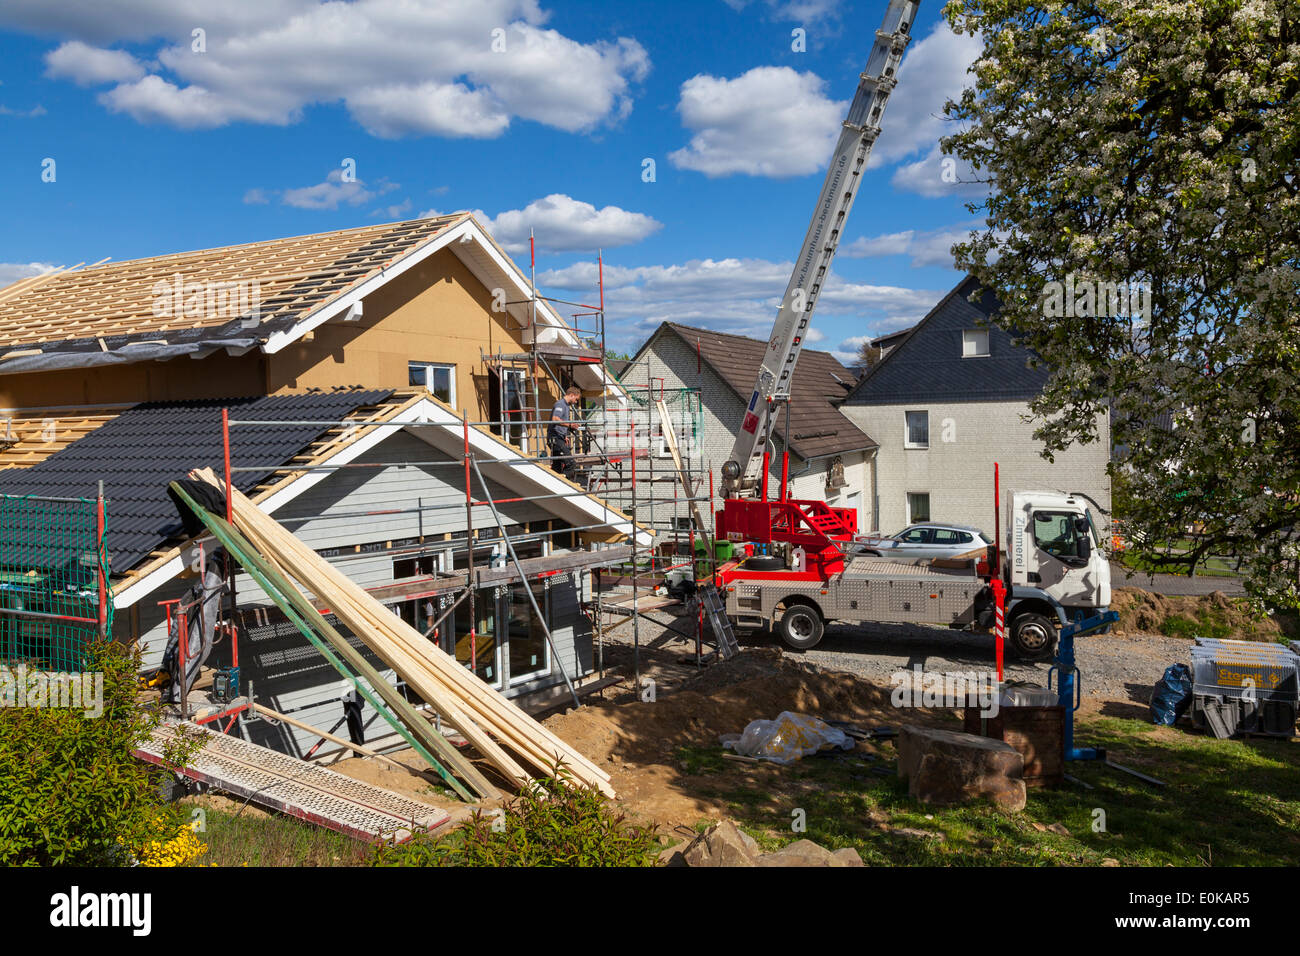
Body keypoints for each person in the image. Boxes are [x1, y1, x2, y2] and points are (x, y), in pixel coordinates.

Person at [547, 385, 582, 482]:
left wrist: (564, 436)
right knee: (571, 463)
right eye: (576, 399)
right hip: (555, 438)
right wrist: (570, 425)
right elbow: (555, 419)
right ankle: (564, 483)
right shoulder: (560, 404)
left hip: (558, 437)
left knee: (557, 467)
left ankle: (554, 483)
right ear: (571, 395)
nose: (576, 402)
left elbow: (560, 423)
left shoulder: (566, 406)